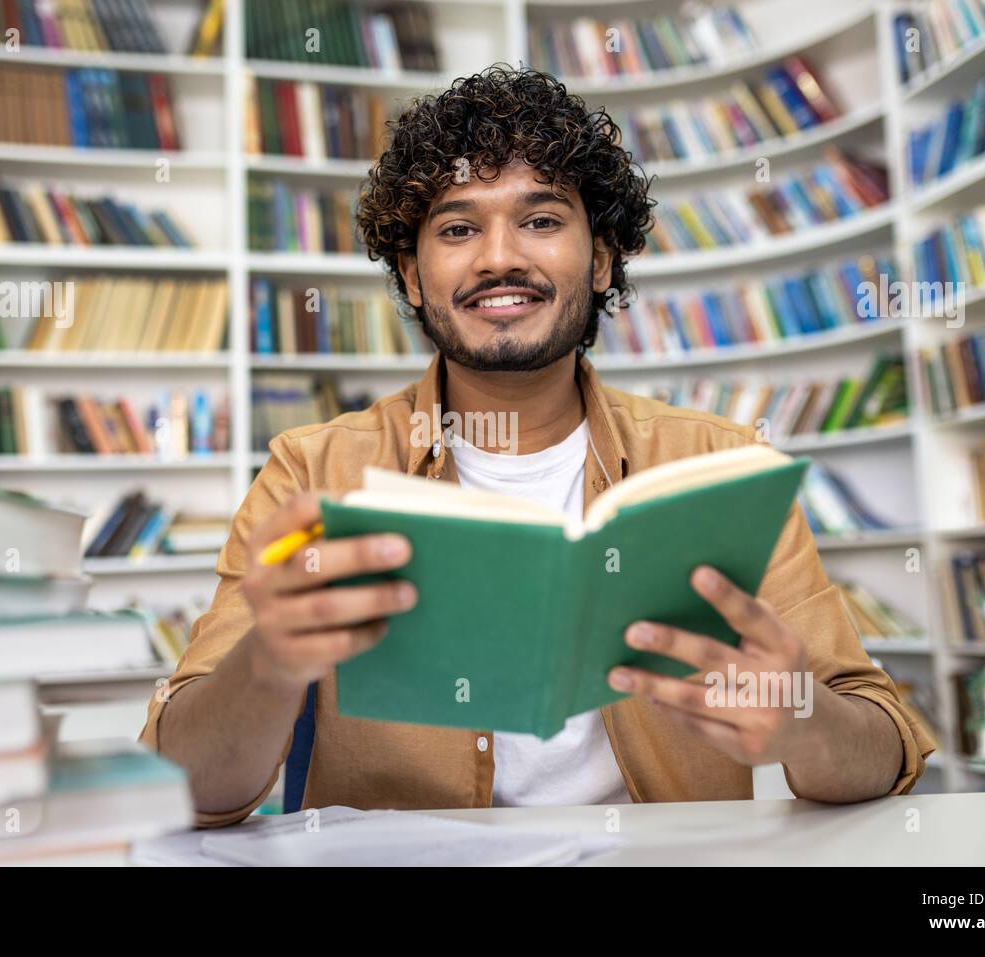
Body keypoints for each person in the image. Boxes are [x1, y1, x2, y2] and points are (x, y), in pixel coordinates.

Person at [139, 66, 936, 826]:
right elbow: (190, 787)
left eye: (542, 219)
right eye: (457, 228)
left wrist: (801, 719)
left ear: (600, 260)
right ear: (412, 276)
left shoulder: (716, 465)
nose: (499, 257)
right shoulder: (313, 471)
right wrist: (270, 662)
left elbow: (887, 749)